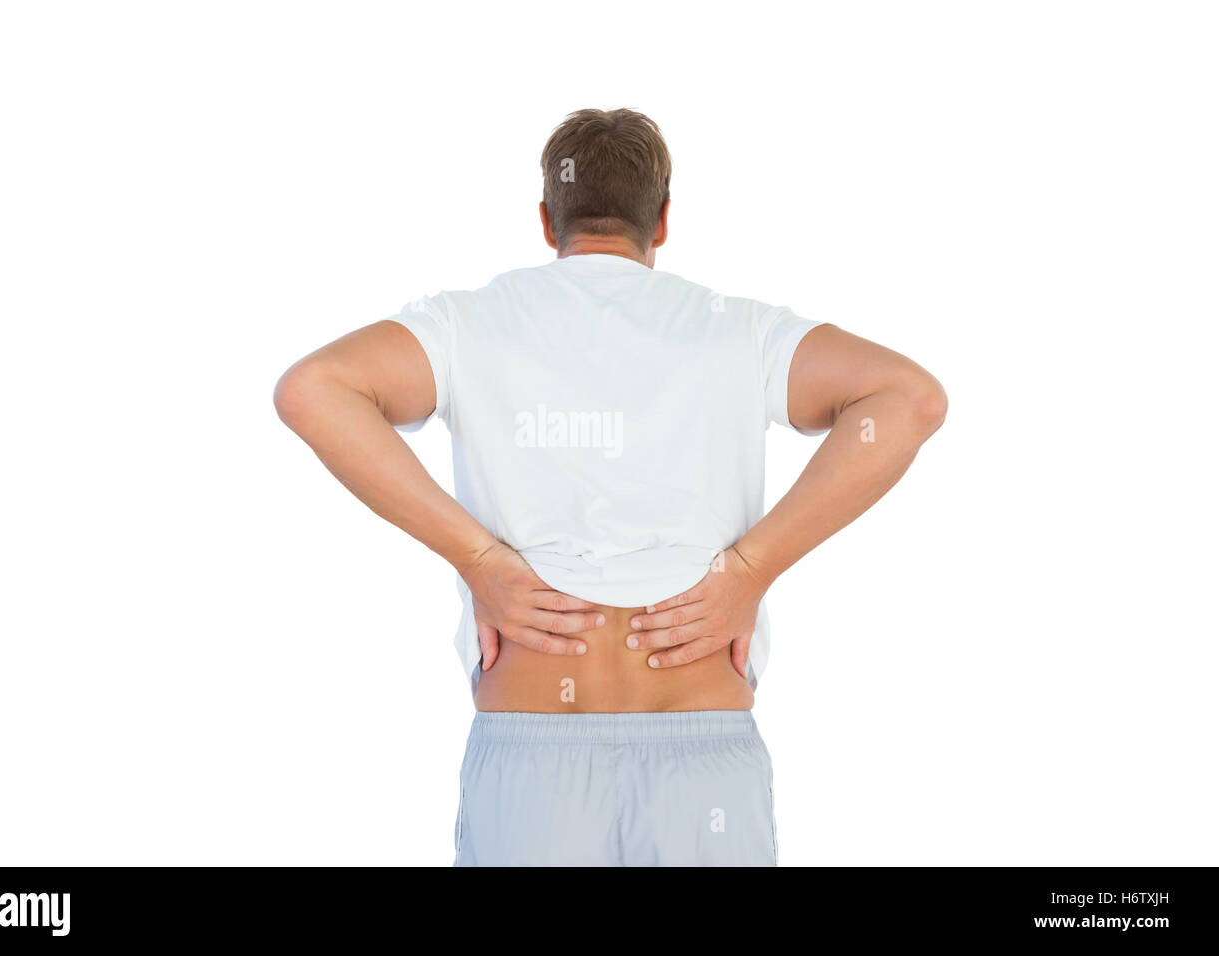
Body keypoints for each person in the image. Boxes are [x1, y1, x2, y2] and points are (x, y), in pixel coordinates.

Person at [274, 108, 947, 866]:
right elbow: (910, 401)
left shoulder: (466, 323)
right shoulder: (738, 329)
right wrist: (751, 569)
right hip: (703, 767)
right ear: (661, 220)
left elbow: (313, 390)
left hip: (534, 768)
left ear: (545, 219)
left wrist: (479, 560)